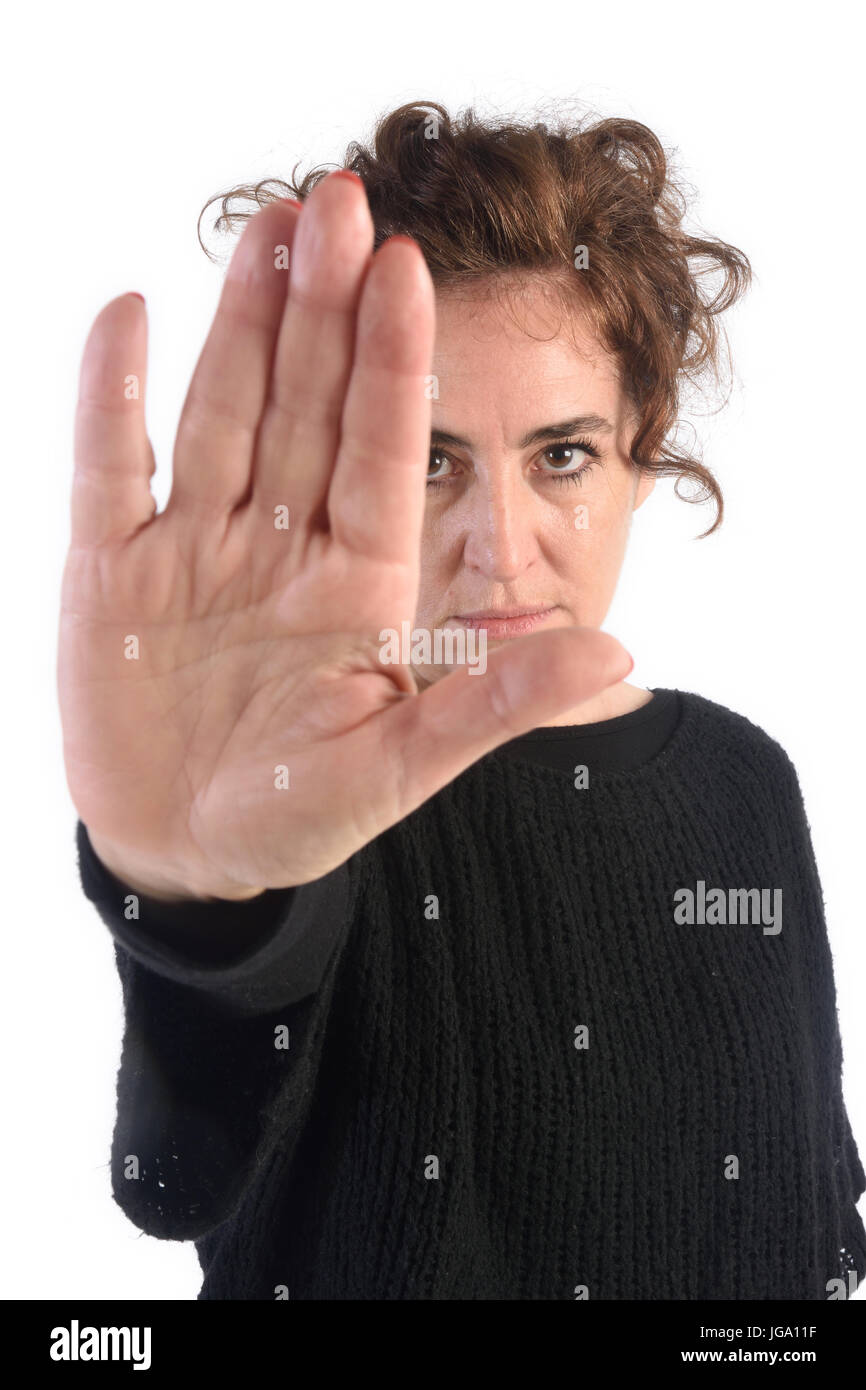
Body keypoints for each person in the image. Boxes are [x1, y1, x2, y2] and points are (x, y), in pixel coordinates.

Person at [59, 100, 866, 1300]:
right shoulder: (307, 804)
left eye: (560, 455)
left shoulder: (743, 776)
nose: (499, 548)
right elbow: (172, 1179)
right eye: (433, 460)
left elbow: (808, 1211)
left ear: (642, 447)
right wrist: (189, 893)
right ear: (344, 464)